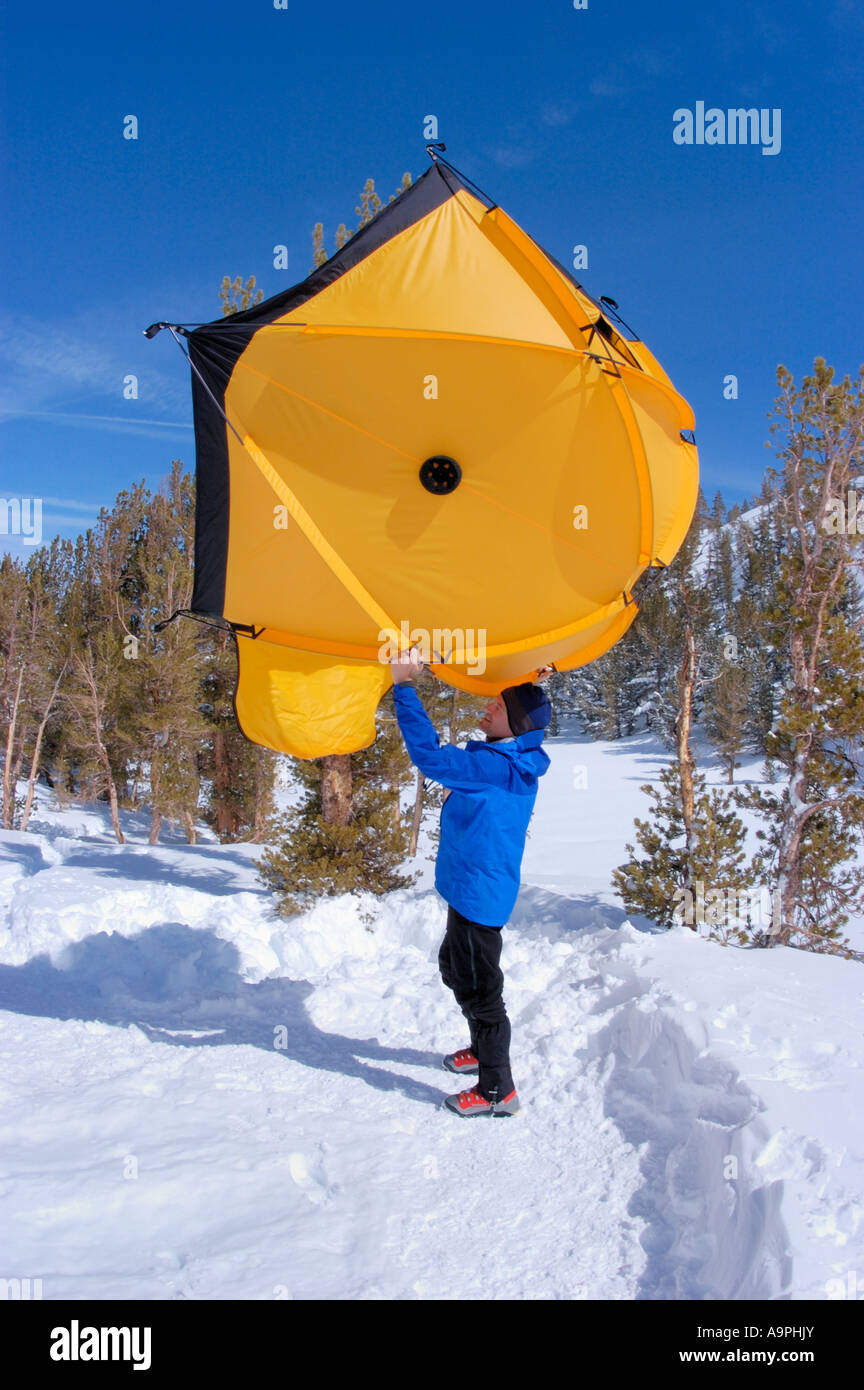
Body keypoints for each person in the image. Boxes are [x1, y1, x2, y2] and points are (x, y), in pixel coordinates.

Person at [389, 651, 552, 1118]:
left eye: (496, 706)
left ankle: (498, 1091)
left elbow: (430, 757)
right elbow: (524, 715)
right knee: (455, 969)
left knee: (482, 991)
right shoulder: (507, 759)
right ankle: (482, 1051)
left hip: (481, 897)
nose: (486, 709)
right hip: (469, 889)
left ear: (516, 722)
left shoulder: (498, 769)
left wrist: (404, 687)